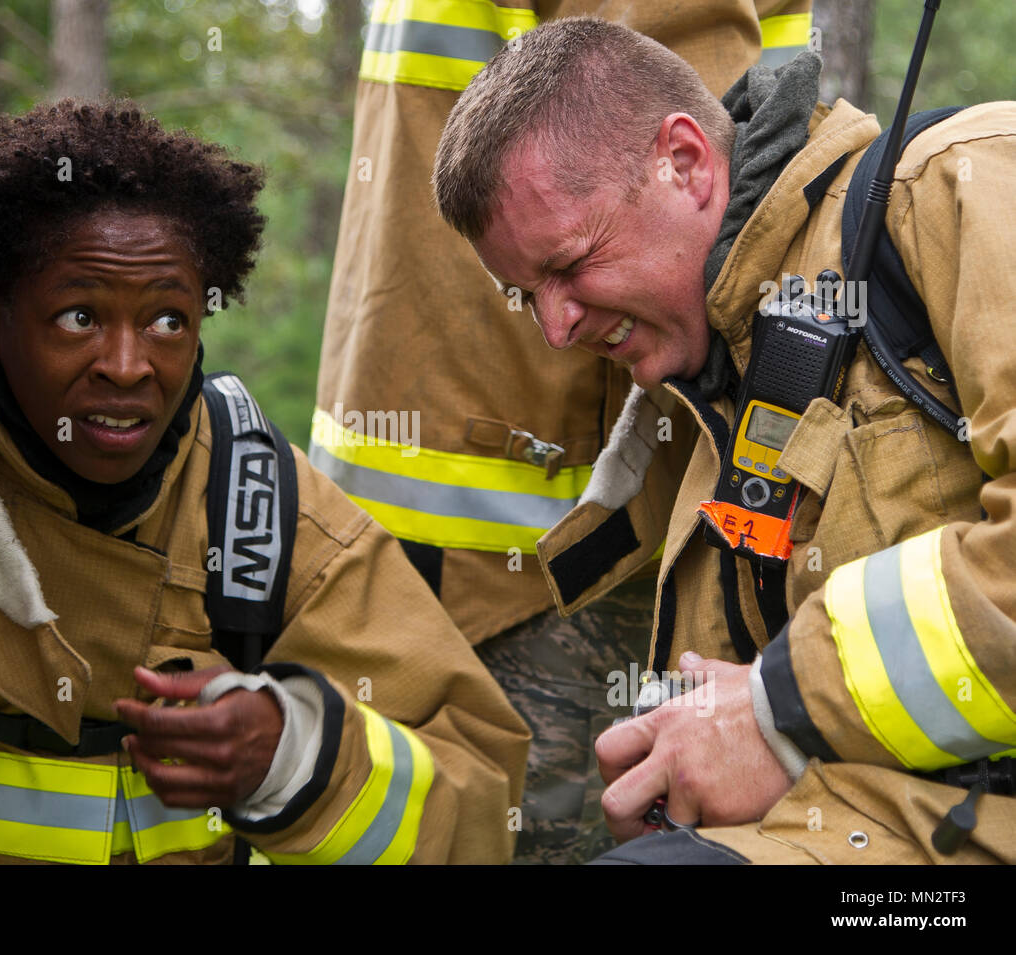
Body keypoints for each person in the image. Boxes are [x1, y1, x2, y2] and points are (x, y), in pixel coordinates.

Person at [0, 100, 530, 865]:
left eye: (167, 320)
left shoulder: (270, 526)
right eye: (79, 316)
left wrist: (292, 752)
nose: (129, 365)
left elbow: (482, 795)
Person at [432, 16, 1016, 863]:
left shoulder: (962, 182)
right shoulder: (704, 405)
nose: (555, 330)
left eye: (567, 265)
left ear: (685, 162)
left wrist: (781, 707)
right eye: (527, 295)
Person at [313, 0, 812, 863]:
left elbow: (697, 194)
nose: (552, 322)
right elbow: (707, 212)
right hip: (499, 561)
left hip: (520, 565)